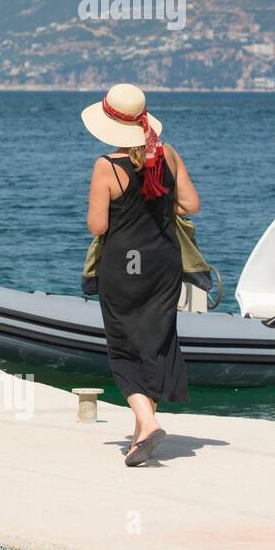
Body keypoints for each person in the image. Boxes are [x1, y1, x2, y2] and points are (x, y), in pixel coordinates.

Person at [82, 83, 199, 466]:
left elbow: (97, 226)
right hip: (164, 265)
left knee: (123, 346)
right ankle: (140, 437)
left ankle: (147, 422)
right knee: (155, 342)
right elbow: (190, 205)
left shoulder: (107, 166)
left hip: (124, 267)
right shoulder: (168, 155)